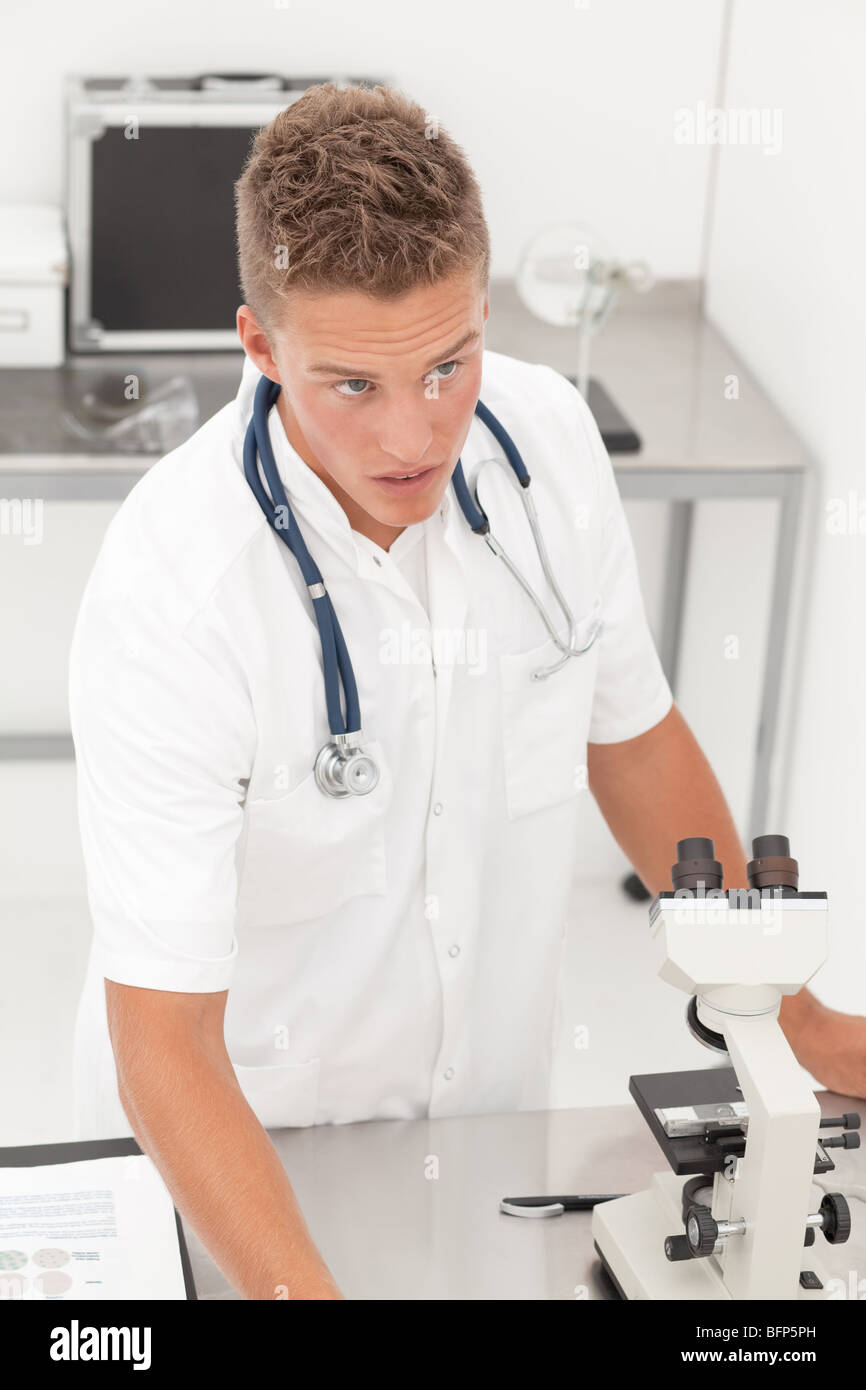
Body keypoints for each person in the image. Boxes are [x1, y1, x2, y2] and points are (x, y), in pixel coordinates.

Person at [68, 81, 866, 1302]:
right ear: (260, 345)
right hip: (241, 1166)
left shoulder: (545, 449)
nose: (415, 435)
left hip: (484, 1139)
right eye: (353, 385)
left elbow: (632, 737)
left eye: (448, 364)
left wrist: (790, 1011)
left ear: (482, 309)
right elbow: (162, 1045)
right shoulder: (175, 589)